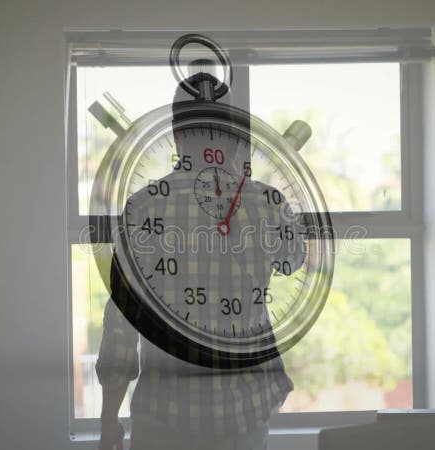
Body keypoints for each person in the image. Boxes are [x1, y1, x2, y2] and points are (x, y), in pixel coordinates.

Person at [96, 67, 305, 450]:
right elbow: (294, 259)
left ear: (176, 135)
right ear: (230, 133)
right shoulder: (269, 203)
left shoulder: (141, 207)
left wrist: (109, 419)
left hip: (162, 417)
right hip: (245, 413)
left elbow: (121, 323)